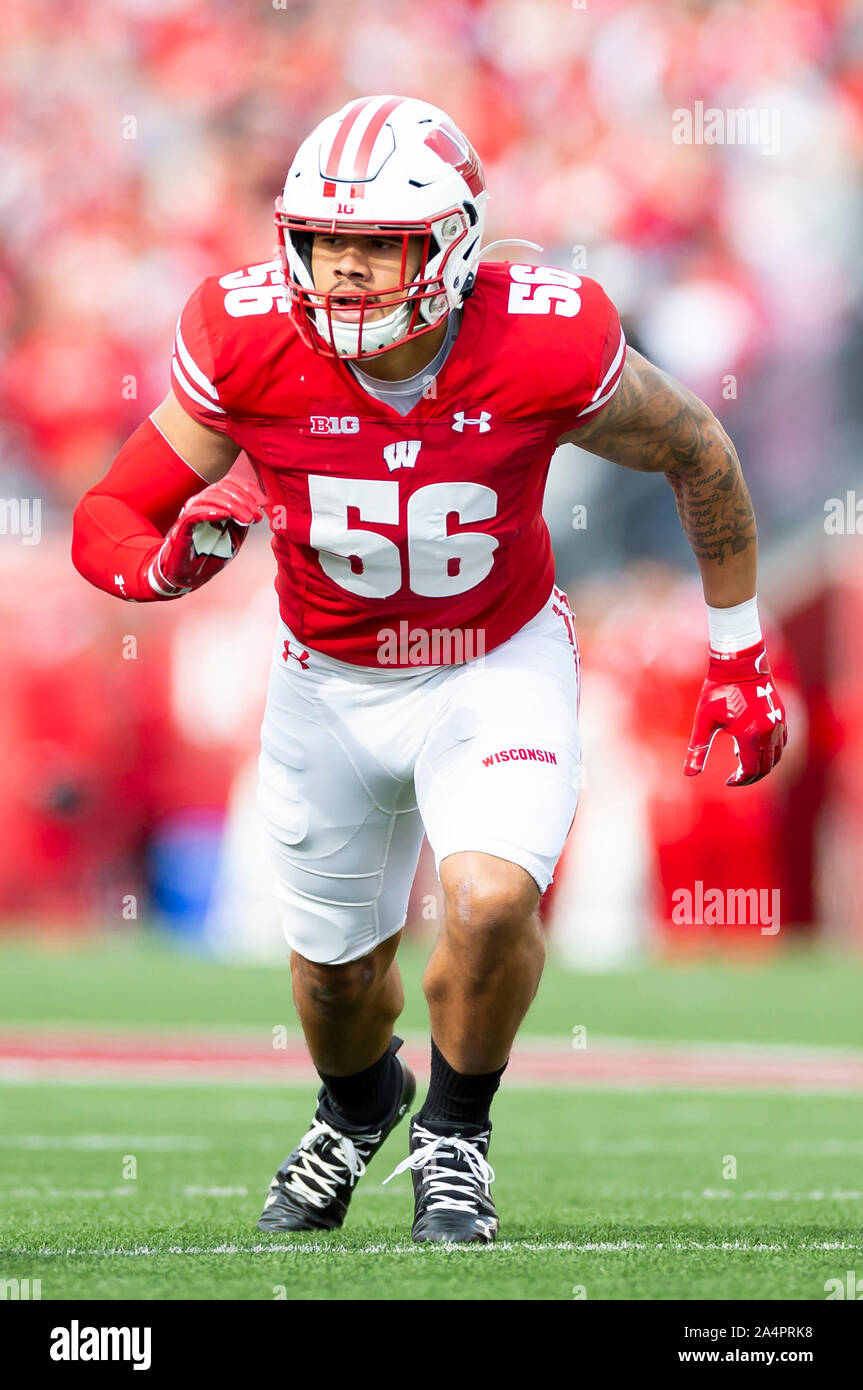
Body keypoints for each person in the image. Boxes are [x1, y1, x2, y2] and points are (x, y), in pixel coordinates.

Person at [71, 94, 787, 1245]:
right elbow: (108, 510)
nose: (344, 270)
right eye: (323, 240)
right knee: (334, 982)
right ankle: (359, 1106)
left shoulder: (545, 337)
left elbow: (696, 448)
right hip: (327, 681)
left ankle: (455, 1134)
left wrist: (737, 648)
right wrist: (155, 572)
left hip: (490, 660)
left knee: (492, 898)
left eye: (377, 244)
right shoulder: (247, 336)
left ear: (451, 244)